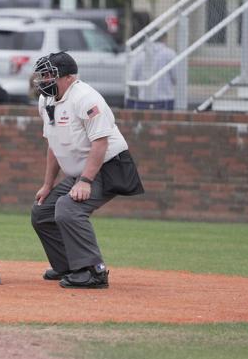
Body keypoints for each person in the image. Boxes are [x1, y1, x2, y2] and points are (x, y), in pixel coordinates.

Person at [30, 52, 143, 289]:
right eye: (43, 75)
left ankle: (93, 271)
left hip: (108, 167)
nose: (44, 80)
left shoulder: (86, 98)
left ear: (69, 78)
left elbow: (100, 143)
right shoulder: (46, 101)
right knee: (42, 212)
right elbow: (53, 143)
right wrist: (48, 184)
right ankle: (68, 265)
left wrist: (85, 181)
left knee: (68, 209)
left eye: (50, 75)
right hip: (82, 172)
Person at [125, 33, 177, 110]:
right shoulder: (170, 54)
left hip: (142, 100)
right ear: (164, 38)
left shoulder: (139, 54)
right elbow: (176, 77)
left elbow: (133, 78)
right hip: (166, 100)